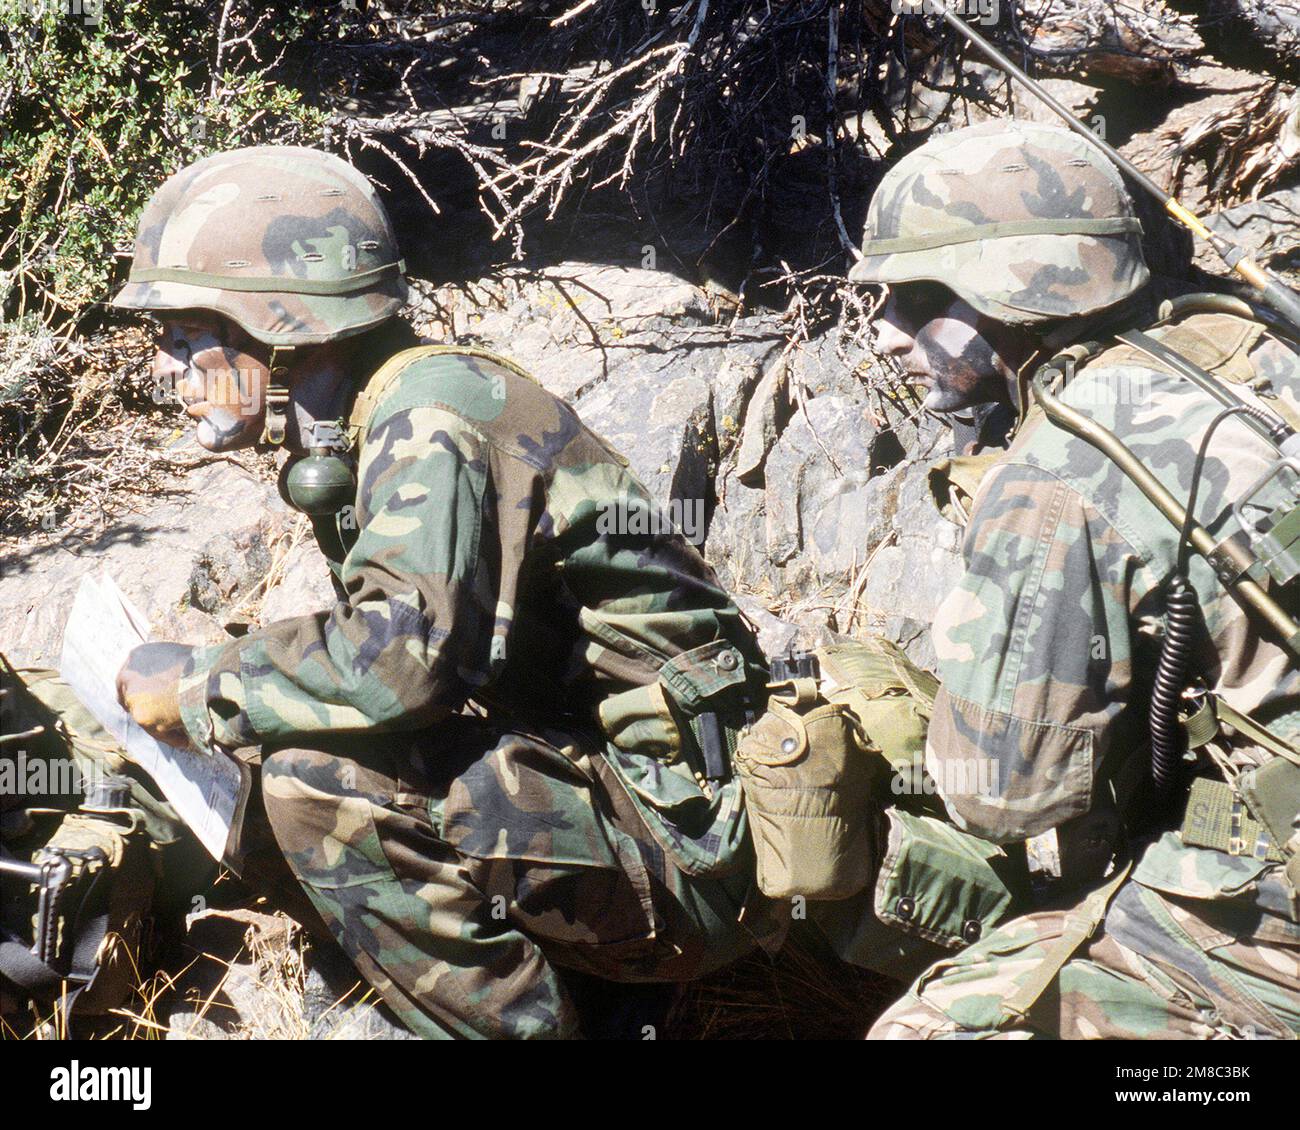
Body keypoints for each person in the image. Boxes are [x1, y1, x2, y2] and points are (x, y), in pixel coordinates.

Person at [110, 145, 787, 1039]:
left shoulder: (430, 421)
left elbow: (397, 666)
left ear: (277, 331)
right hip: (635, 805)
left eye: (184, 336)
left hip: (694, 855)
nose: (163, 367)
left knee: (313, 781)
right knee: (278, 733)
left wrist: (200, 684)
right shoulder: (391, 406)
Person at [847, 120, 1300, 1039]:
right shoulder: (1247, 345)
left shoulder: (1066, 468)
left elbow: (1006, 793)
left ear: (1013, 292)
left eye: (917, 299)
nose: (888, 336)